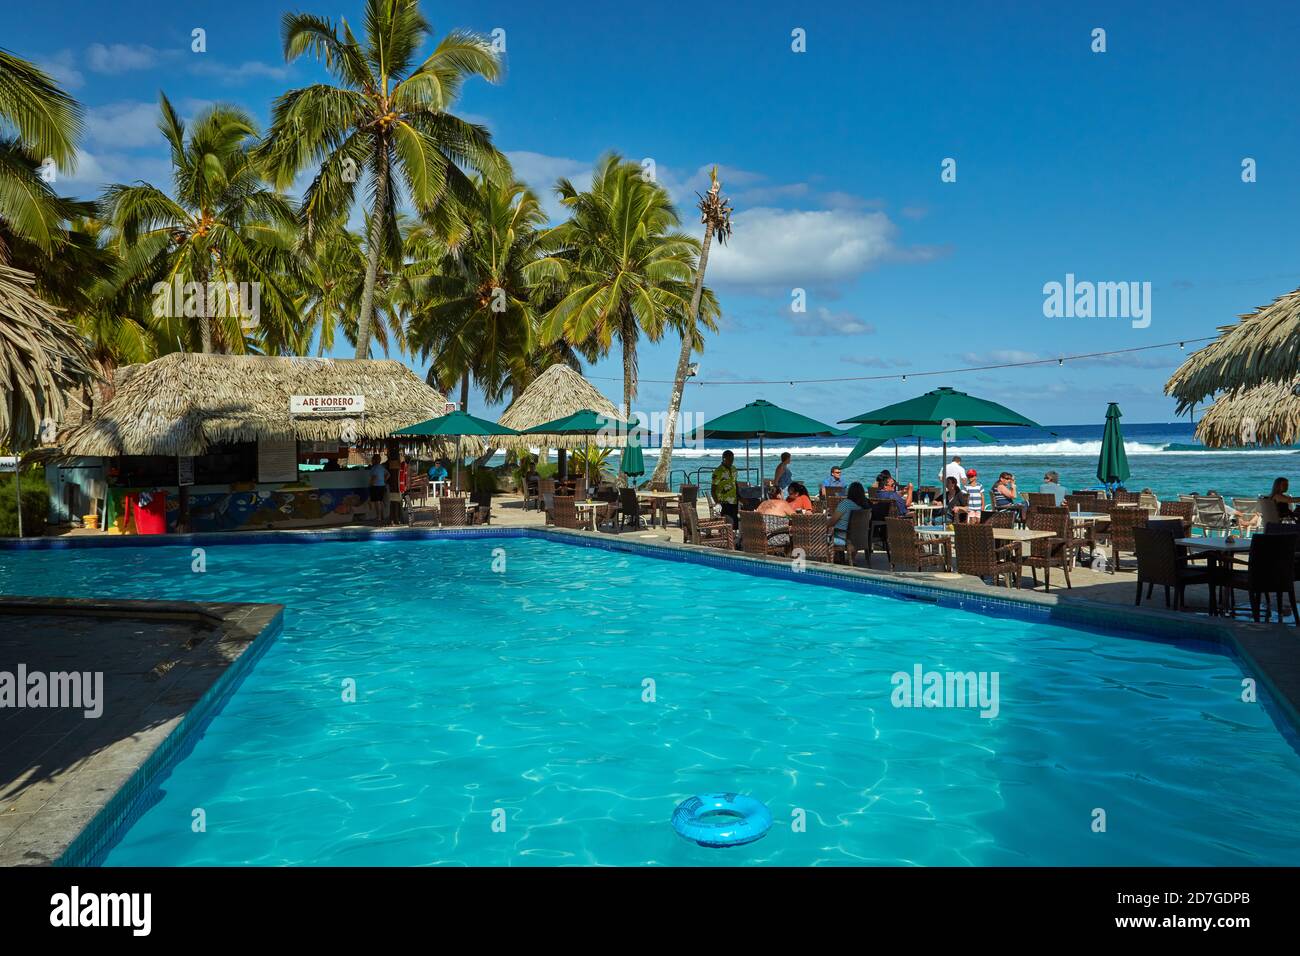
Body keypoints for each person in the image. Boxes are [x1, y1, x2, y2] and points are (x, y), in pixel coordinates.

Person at [830, 481, 870, 546]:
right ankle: (848, 556)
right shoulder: (864, 507)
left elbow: (832, 522)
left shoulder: (845, 503)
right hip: (858, 538)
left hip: (843, 537)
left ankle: (832, 556)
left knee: (821, 537)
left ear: (850, 492)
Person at [712, 450, 740, 528]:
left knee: (734, 523)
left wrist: (739, 497)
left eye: (732, 459)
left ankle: (732, 538)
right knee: (726, 523)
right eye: (729, 459)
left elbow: (735, 483)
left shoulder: (734, 469)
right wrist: (717, 503)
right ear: (724, 459)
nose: (731, 461)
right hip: (723, 501)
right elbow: (713, 489)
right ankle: (726, 538)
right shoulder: (718, 472)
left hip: (734, 500)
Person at [367, 454, 387, 521]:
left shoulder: (374, 468)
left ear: (374, 460)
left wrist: (370, 484)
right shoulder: (382, 467)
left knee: (377, 502)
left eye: (372, 459)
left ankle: (378, 517)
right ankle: (382, 516)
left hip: (376, 486)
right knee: (380, 501)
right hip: (382, 486)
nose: (372, 461)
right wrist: (384, 480)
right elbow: (388, 474)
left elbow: (374, 477)